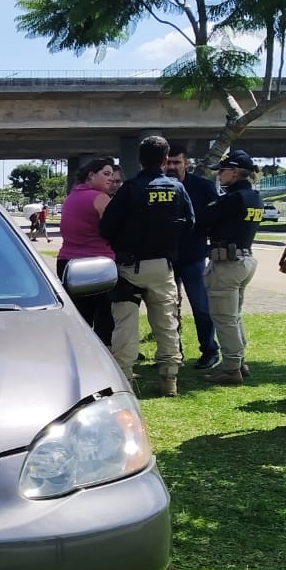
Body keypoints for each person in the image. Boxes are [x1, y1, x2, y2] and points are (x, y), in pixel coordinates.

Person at [99, 135, 194, 396]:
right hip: (163, 266)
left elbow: (106, 227)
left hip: (129, 268)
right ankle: (169, 379)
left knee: (125, 326)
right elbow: (190, 224)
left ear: (139, 160)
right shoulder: (177, 189)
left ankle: (126, 379)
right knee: (166, 324)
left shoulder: (130, 189)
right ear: (165, 160)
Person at [197, 149, 264, 385]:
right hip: (244, 260)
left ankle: (231, 367)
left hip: (227, 263)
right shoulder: (255, 197)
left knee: (224, 318)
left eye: (223, 171)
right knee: (233, 316)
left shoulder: (232, 199)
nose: (219, 175)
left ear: (234, 172)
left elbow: (202, 220)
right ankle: (239, 361)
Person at [166, 144, 221, 370]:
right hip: (165, 258)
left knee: (201, 307)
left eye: (176, 162)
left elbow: (216, 218)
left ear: (186, 163)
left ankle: (209, 350)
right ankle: (172, 353)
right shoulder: (156, 187)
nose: (172, 166)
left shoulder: (203, 187)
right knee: (167, 310)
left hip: (194, 257)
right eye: (168, 162)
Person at [57, 157, 117, 343]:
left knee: (79, 317)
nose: (110, 178)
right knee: (105, 316)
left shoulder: (71, 197)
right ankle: (104, 352)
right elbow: (113, 230)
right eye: (106, 174)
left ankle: (77, 350)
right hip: (98, 265)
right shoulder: (101, 198)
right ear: (91, 175)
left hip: (67, 262)